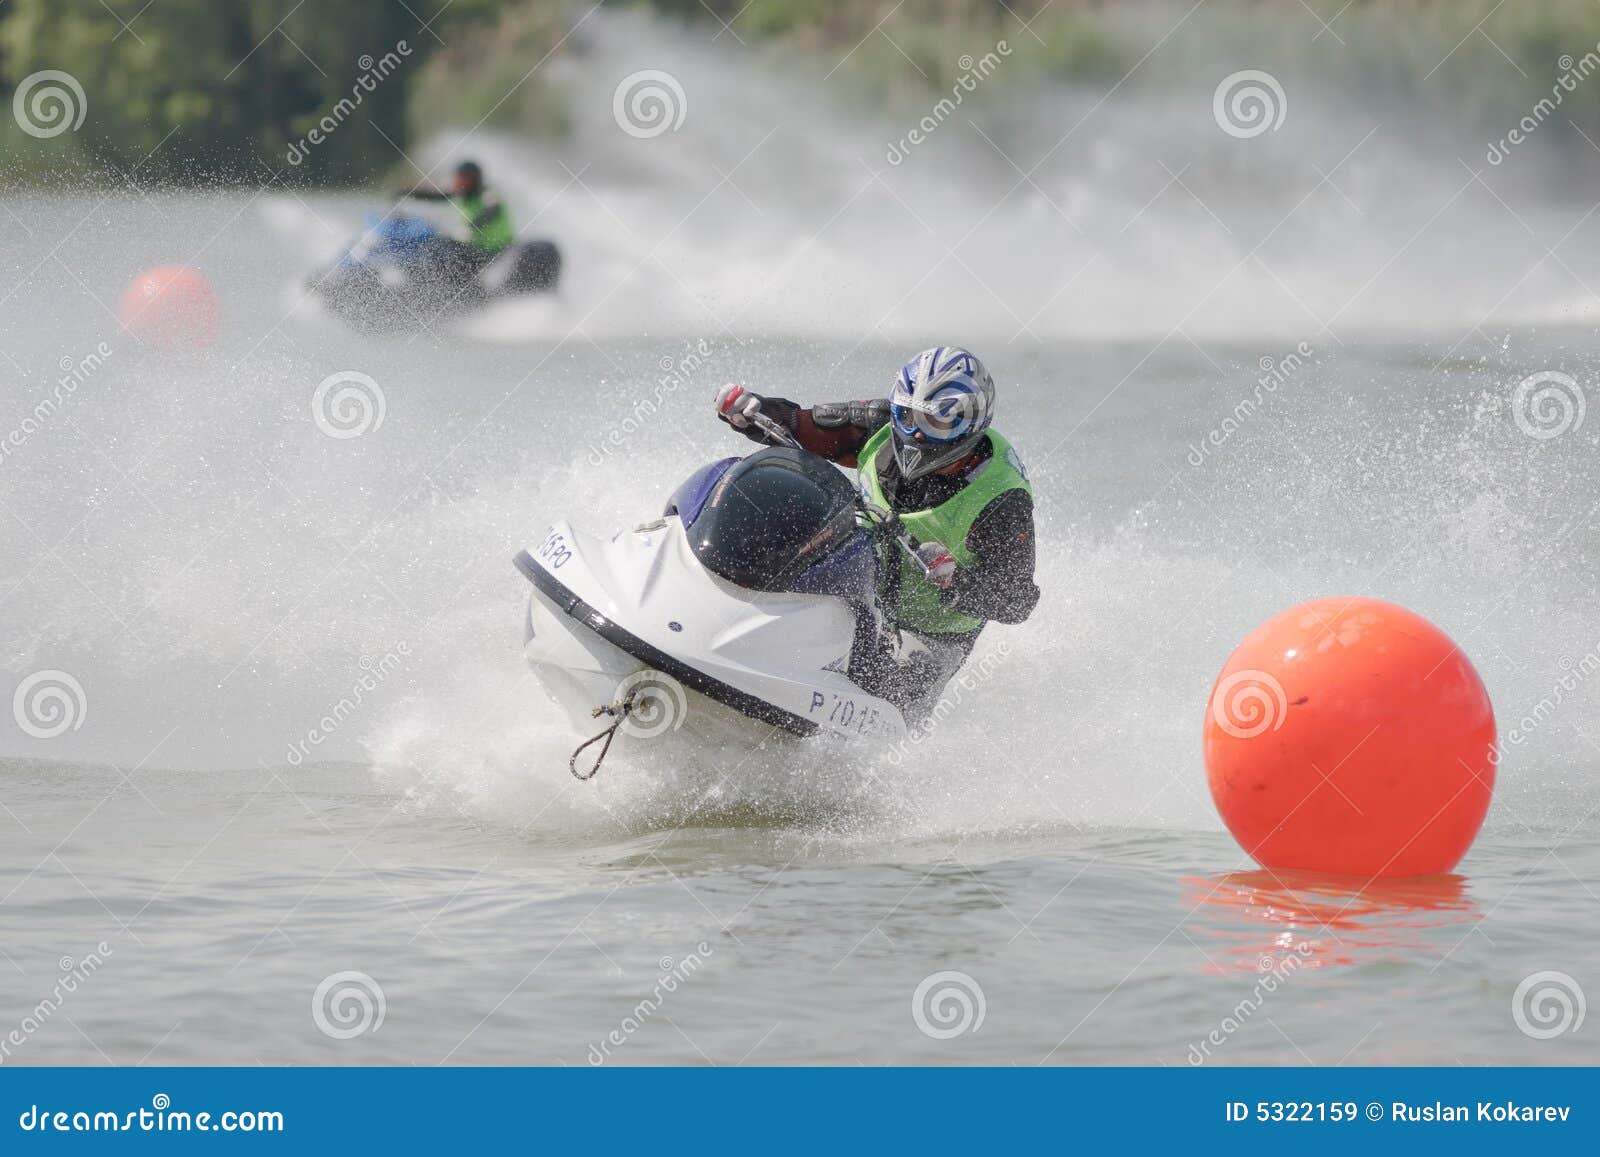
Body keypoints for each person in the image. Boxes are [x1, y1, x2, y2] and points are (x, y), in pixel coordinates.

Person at [714, 346, 1039, 709]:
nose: (915, 433)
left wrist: (958, 578)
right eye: (908, 414)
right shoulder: (879, 424)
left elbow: (1018, 601)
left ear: (970, 426)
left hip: (929, 633)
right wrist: (752, 410)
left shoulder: (1001, 499)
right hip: (861, 585)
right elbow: (796, 425)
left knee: (892, 711)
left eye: (935, 422)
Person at [396, 160, 514, 284]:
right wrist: (406, 193)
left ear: (475, 179)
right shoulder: (461, 193)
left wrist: (470, 226)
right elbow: (436, 195)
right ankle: (417, 281)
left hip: (498, 251)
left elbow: (492, 210)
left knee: (447, 248)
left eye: (464, 178)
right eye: (458, 178)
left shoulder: (488, 193)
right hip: (476, 249)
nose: (459, 181)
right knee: (435, 244)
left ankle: (466, 288)